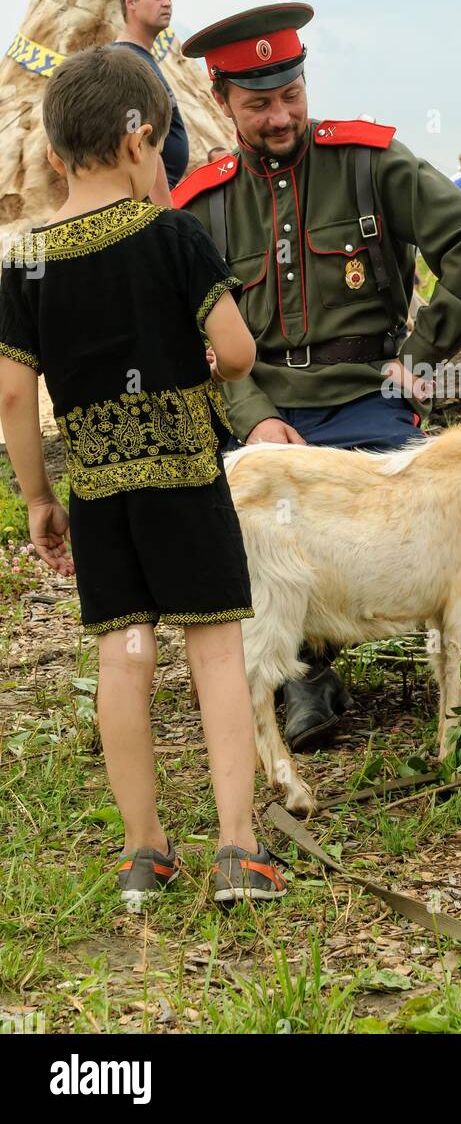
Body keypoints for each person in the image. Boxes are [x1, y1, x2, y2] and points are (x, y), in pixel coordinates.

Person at [172, 3, 461, 750]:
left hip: (366, 398)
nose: (282, 116)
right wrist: (253, 414)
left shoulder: (368, 165)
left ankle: (415, 656)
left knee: (398, 498)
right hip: (261, 408)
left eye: (291, 94)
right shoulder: (203, 207)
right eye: (258, 104)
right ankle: (304, 674)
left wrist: (420, 359)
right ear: (222, 102)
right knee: (248, 511)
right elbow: (194, 332)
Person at [0, 45, 287, 904]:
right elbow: (236, 352)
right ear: (146, 143)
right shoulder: (171, 235)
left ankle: (142, 852)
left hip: (95, 492)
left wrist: (38, 499)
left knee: (124, 658)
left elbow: (15, 396)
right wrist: (197, 370)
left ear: (53, 156)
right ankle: (238, 848)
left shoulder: (23, 263)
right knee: (214, 652)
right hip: (186, 483)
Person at [113, 0, 190, 204]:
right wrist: (164, 217)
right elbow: (142, 142)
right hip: (145, 204)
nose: (167, 3)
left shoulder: (141, 58)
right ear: (131, 2)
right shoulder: (128, 62)